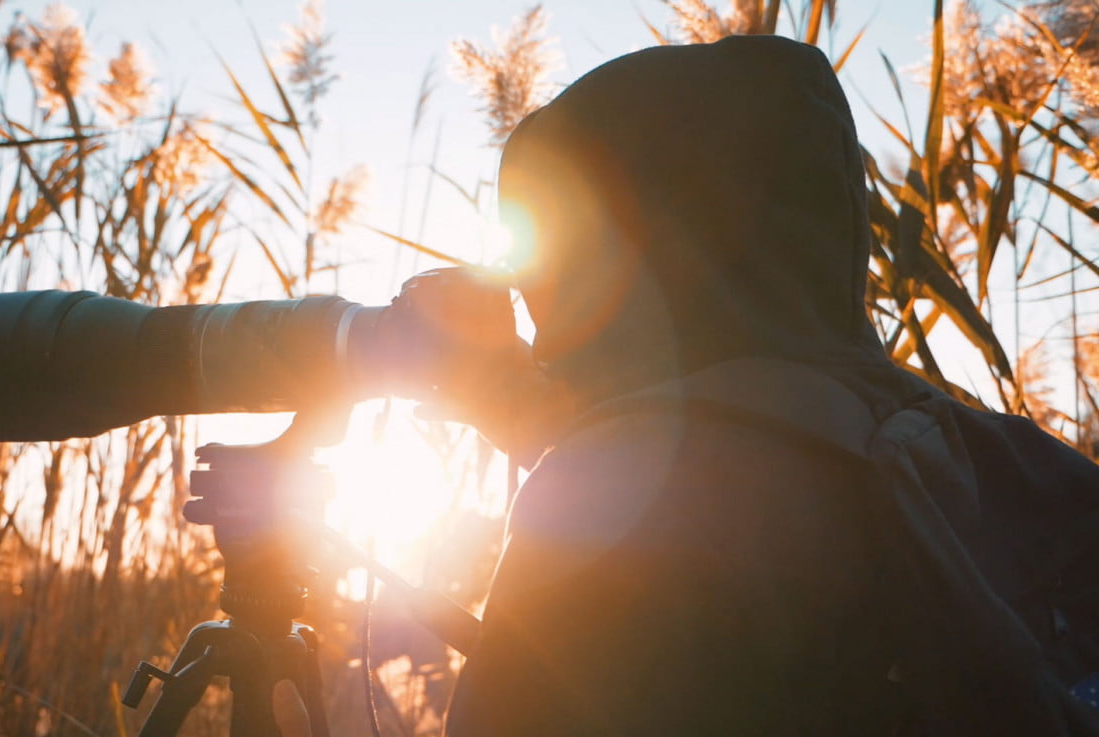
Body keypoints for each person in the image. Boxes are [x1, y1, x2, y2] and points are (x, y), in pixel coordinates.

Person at [281, 35, 1099, 736]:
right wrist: (513, 398)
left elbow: (672, 492)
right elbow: (752, 454)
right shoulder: (1002, 456)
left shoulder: (624, 499)